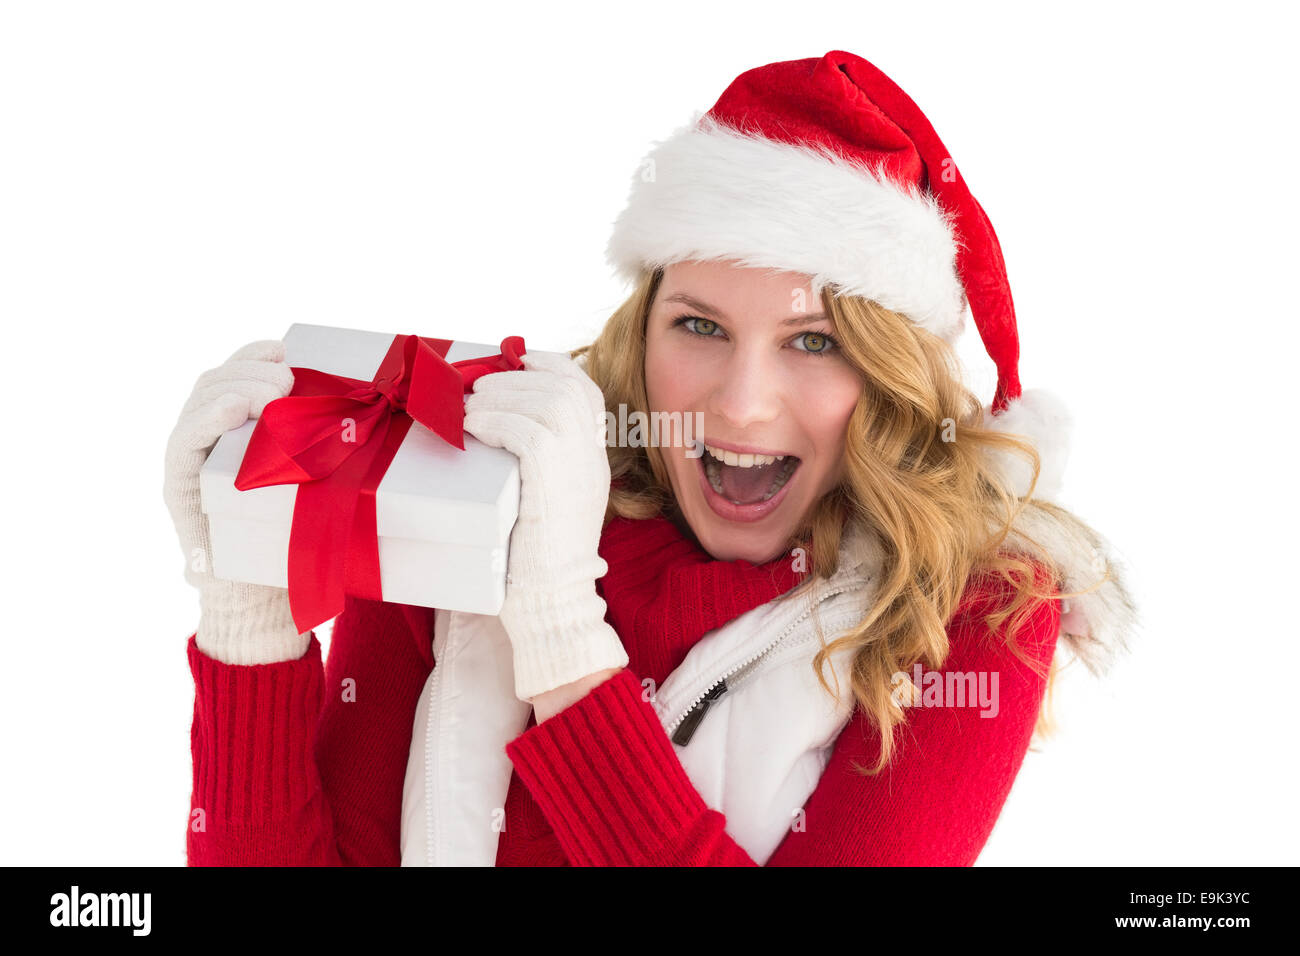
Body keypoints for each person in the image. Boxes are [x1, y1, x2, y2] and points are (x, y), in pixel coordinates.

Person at [165, 50, 1135, 866]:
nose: (740, 402)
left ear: (890, 375)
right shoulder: (481, 498)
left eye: (814, 339)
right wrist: (245, 621)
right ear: (642, 332)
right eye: (699, 325)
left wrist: (562, 644)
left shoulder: (977, 609)